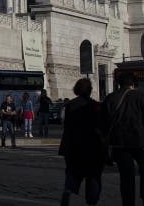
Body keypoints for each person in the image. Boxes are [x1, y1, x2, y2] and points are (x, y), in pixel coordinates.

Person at [102, 71, 144, 206]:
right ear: (133, 84)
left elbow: (103, 123)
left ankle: (128, 203)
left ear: (119, 84)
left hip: (119, 143)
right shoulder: (140, 96)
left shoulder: (110, 98)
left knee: (126, 176)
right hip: (140, 141)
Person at [59, 78, 105, 206]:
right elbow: (99, 126)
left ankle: (68, 190)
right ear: (90, 91)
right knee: (93, 175)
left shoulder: (69, 105)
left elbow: (66, 124)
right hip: (91, 146)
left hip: (72, 145)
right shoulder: (95, 106)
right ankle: (92, 201)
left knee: (72, 172)